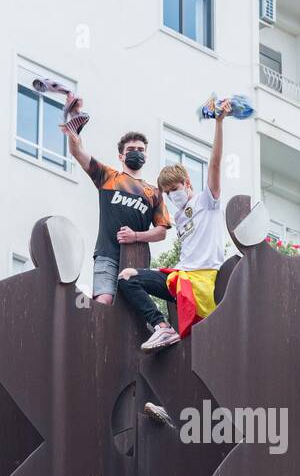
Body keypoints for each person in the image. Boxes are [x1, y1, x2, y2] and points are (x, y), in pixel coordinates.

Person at [118, 100, 233, 346]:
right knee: (127, 277)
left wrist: (219, 123)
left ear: (187, 183)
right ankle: (162, 326)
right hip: (179, 274)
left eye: (175, 189)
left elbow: (215, 163)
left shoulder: (207, 201)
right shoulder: (178, 216)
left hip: (201, 278)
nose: (172, 195)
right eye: (167, 192)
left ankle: (174, 329)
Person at [63, 122, 170, 318]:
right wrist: (73, 129)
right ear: (121, 156)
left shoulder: (154, 192)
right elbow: (77, 151)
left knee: (131, 315)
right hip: (107, 253)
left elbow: (162, 231)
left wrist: (135, 236)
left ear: (145, 156)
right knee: (103, 301)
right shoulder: (108, 177)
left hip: (137, 259)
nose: (136, 153)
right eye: (131, 149)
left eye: (140, 150)